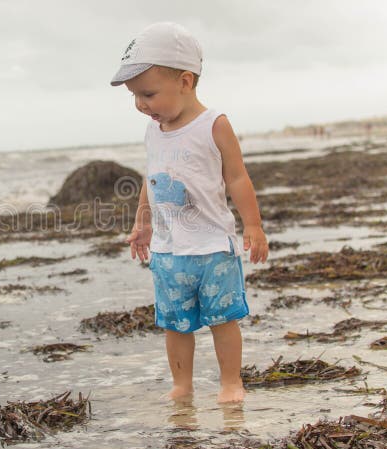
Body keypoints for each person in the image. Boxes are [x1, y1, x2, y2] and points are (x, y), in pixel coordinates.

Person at [110, 22, 268, 404]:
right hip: (168, 252)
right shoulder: (154, 132)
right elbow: (152, 178)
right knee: (174, 324)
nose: (141, 105)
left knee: (222, 320)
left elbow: (237, 177)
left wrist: (254, 225)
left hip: (212, 249)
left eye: (148, 93)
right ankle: (183, 385)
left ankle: (231, 383)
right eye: (135, 96)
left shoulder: (213, 124)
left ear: (184, 81)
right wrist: (143, 223)